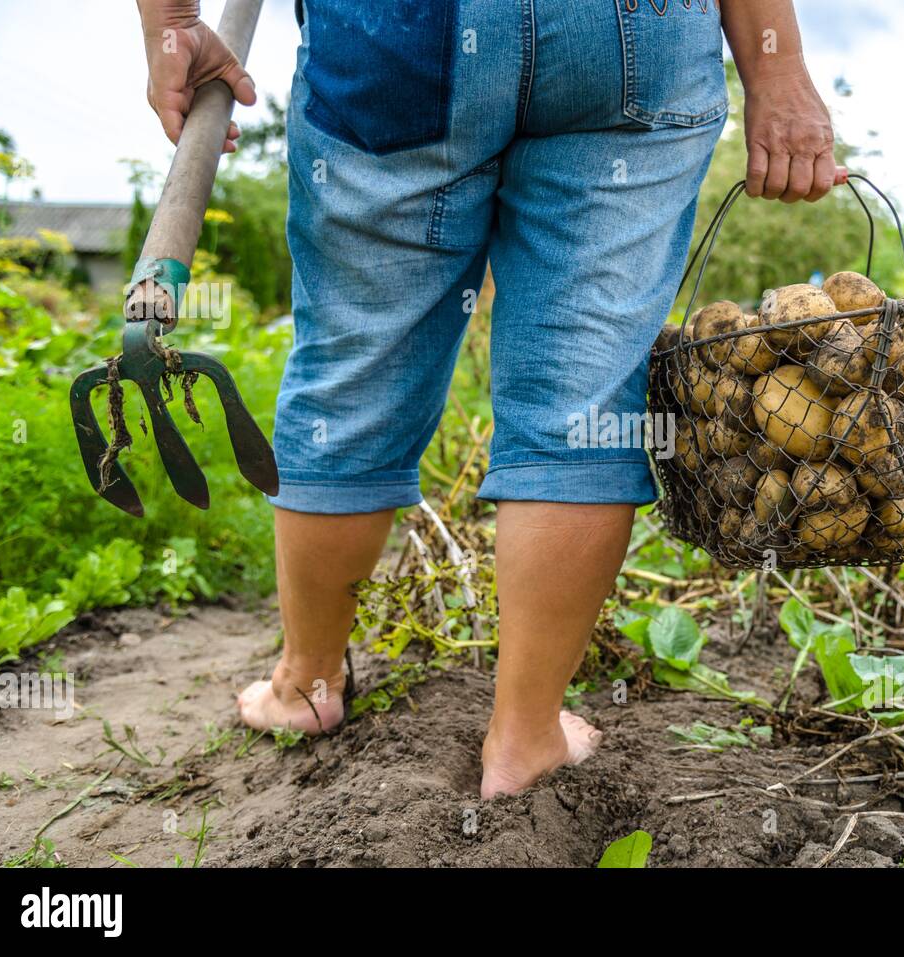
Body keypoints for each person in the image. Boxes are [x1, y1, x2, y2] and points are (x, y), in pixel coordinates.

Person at [137, 0, 841, 798]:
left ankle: (305, 686)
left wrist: (170, 24)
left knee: (355, 368)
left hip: (395, 33)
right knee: (582, 393)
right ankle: (526, 736)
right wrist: (776, 67)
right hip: (630, 37)